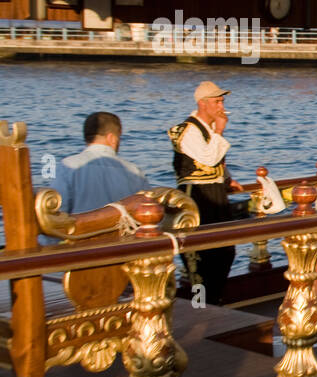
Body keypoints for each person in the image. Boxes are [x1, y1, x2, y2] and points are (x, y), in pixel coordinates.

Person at [168, 81, 243, 305]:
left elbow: (215, 161)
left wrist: (227, 178)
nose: (222, 106)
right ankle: (201, 306)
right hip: (196, 196)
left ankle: (214, 300)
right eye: (217, 101)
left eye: (222, 101)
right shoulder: (187, 130)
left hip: (215, 193)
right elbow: (207, 157)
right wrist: (220, 131)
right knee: (200, 256)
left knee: (225, 250)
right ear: (202, 104)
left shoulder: (208, 131)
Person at [51, 112, 150, 215]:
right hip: (123, 229)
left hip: (84, 229)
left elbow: (57, 212)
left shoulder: (67, 166)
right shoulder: (135, 172)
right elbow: (148, 209)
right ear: (112, 138)